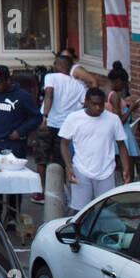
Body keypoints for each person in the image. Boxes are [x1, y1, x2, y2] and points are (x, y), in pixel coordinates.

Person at [59, 88, 132, 211]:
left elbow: (122, 146)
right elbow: (64, 144)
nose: (98, 108)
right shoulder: (73, 118)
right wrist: (70, 167)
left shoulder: (113, 119)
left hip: (106, 171)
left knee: (105, 210)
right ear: (86, 102)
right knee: (80, 210)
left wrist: (126, 169)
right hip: (81, 170)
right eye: (94, 104)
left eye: (101, 104)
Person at [39, 54, 86, 185]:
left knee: (42, 159)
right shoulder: (79, 86)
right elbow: (82, 105)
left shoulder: (50, 77)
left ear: (59, 65)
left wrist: (45, 116)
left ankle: (42, 190)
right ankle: (59, 190)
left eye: (55, 63)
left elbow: (49, 95)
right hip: (65, 127)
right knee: (60, 160)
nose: (53, 66)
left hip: (48, 123)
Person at [0, 64, 41, 155]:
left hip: (12, 145)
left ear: (8, 80)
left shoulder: (23, 96)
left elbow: (37, 118)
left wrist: (20, 131)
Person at [106, 62, 140, 162]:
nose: (125, 85)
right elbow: (118, 121)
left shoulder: (112, 93)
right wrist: (130, 109)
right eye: (124, 83)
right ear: (118, 81)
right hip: (122, 131)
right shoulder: (115, 96)